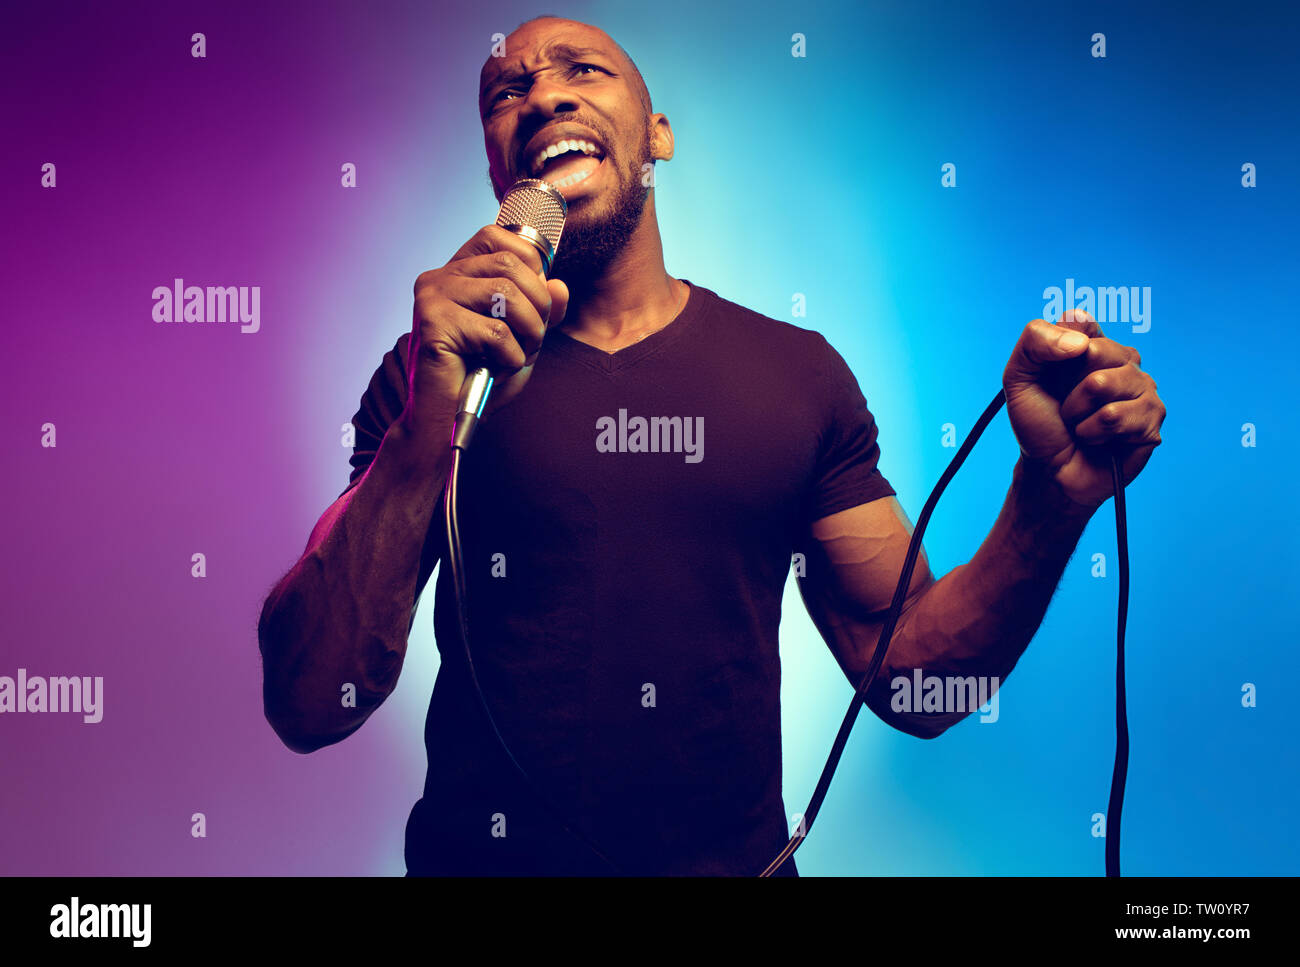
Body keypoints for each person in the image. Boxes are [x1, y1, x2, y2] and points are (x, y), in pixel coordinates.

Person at [257, 15, 1166, 876]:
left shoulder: (796, 373)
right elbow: (310, 699)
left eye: (583, 71)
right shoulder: (431, 379)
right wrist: (425, 431)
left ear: (657, 134)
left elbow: (909, 677)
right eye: (506, 92)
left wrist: (1049, 501)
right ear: (498, 165)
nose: (542, 98)